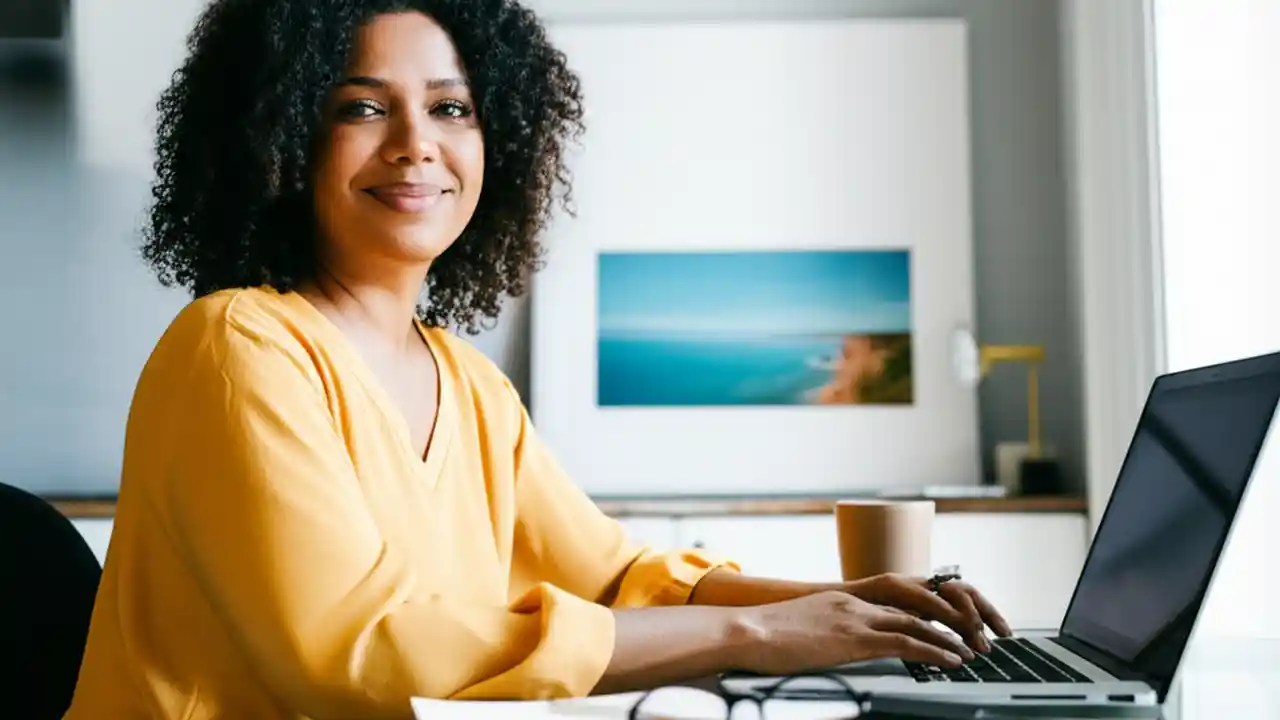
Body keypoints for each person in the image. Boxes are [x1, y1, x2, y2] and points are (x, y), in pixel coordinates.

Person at [66, 1, 1011, 717]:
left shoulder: (470, 386)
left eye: (452, 108)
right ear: (280, 139)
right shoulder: (238, 350)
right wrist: (764, 634)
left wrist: (852, 608)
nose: (416, 146)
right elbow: (355, 653)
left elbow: (615, 579)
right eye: (362, 107)